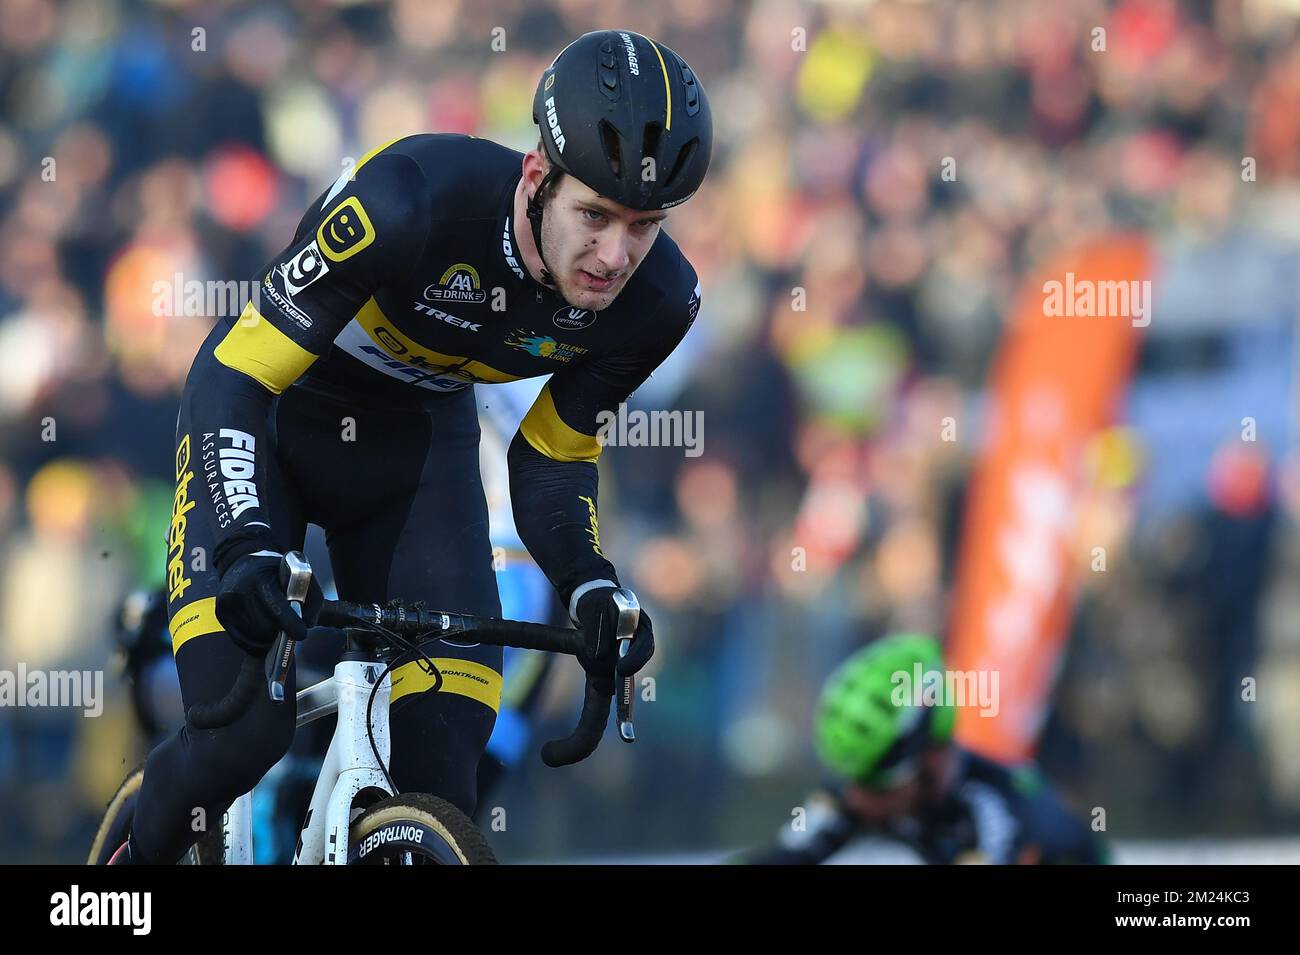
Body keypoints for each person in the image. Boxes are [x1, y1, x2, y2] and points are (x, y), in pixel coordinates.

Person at [111, 29, 711, 864]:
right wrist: (247, 539)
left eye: (644, 226)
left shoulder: (659, 301)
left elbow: (551, 456)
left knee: (445, 770)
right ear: (537, 177)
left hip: (415, 455)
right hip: (270, 420)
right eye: (595, 216)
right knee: (239, 735)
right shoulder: (410, 198)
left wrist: (590, 585)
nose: (615, 256)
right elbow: (238, 377)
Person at [738, 634, 1109, 865]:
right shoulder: (871, 792)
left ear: (930, 758)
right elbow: (784, 856)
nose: (857, 796)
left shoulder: (993, 811)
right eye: (850, 777)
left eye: (875, 780)